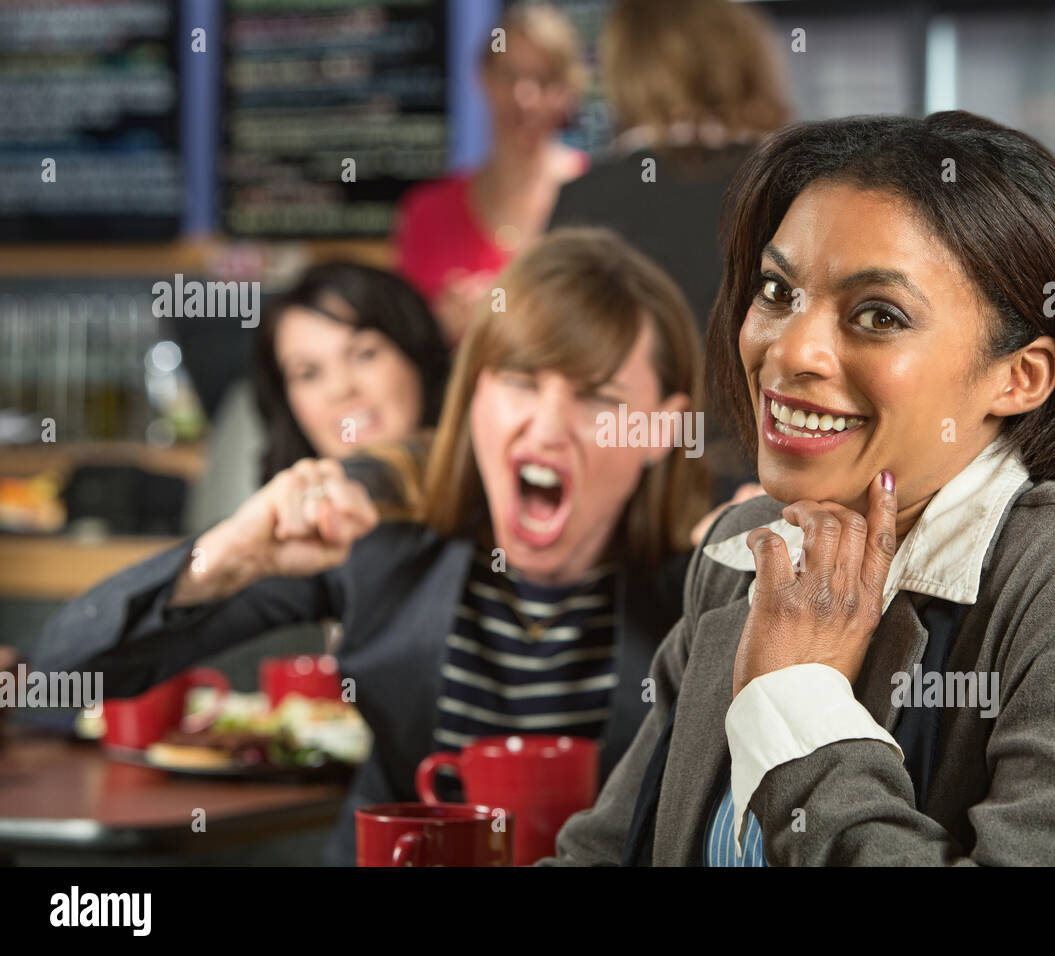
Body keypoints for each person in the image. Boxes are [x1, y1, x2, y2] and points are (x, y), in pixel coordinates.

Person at [540, 113, 1055, 866]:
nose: (789, 350)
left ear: (1019, 377)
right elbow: (602, 853)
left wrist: (798, 700)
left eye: (878, 315)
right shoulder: (743, 554)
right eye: (777, 290)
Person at [26, 228, 711, 866]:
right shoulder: (373, 526)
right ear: (475, 395)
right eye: (521, 383)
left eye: (597, 399)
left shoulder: (708, 582)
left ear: (660, 429)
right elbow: (62, 675)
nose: (547, 426)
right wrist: (221, 558)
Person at [549, 0, 791, 502]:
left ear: (629, 69)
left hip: (631, 488)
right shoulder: (806, 186)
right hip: (785, 479)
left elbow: (563, 361)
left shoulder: (586, 201)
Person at [184, 261, 449, 532]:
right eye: (308, 373)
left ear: (418, 358)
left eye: (364, 354)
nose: (340, 388)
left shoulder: (484, 518)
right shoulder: (278, 544)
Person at [395, 2, 590, 346]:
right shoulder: (428, 212)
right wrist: (436, 325)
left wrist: (502, 317)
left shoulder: (602, 196)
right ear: (482, 78)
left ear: (569, 91)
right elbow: (401, 341)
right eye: (509, 75)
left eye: (543, 80)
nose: (524, 97)